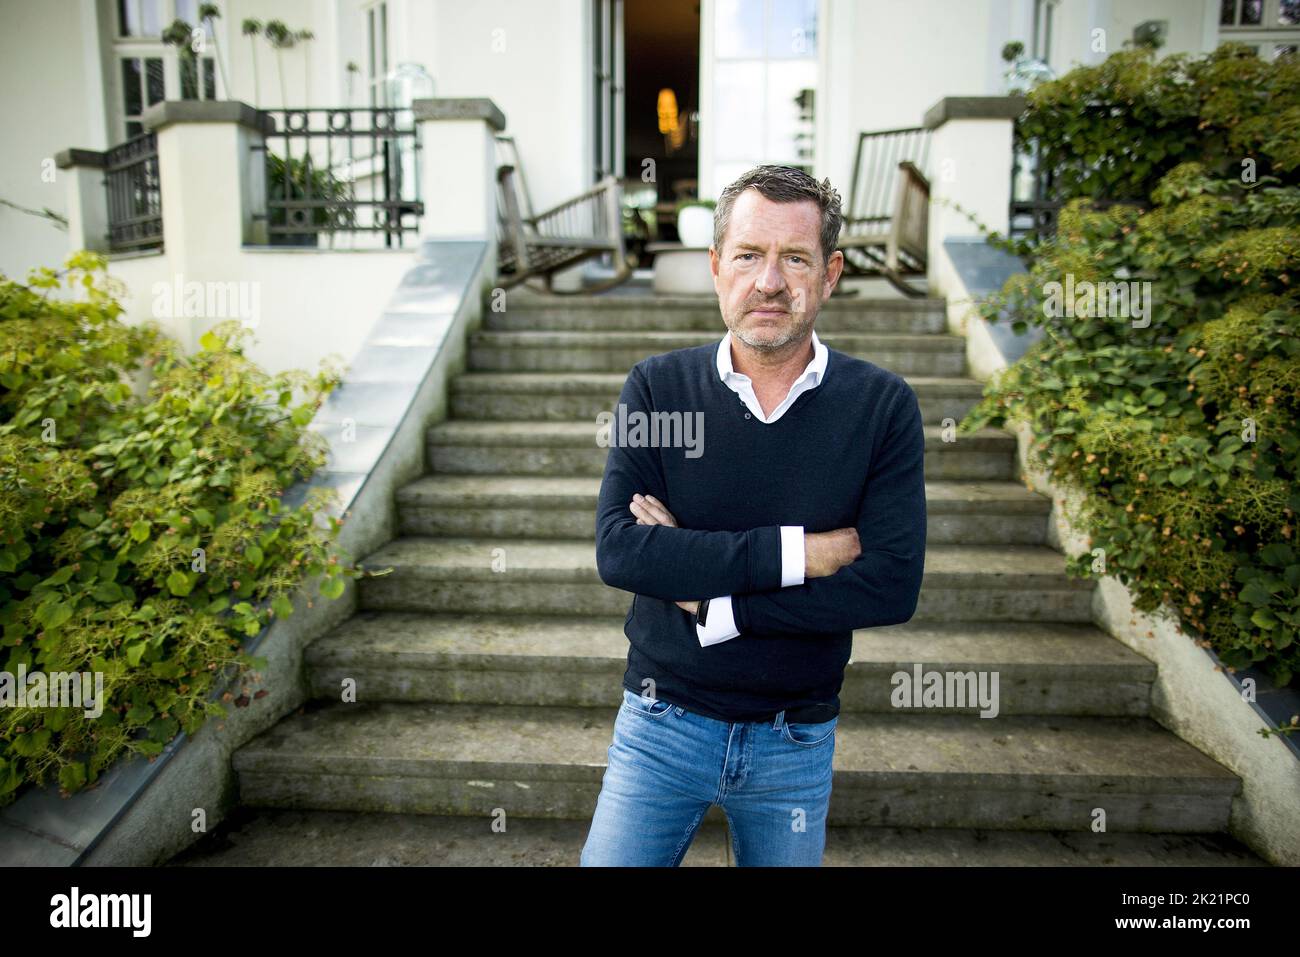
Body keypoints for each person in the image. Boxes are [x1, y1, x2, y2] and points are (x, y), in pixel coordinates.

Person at [581, 164, 927, 866]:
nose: (769, 281)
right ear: (716, 267)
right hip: (660, 723)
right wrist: (800, 555)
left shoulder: (882, 406)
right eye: (748, 255)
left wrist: (715, 604)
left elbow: (888, 586)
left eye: (794, 258)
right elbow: (621, 551)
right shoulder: (658, 389)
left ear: (829, 273)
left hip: (793, 739)